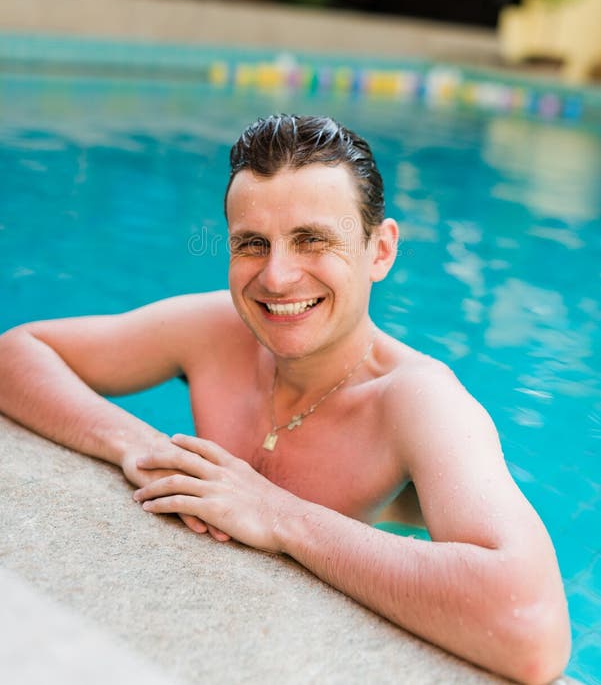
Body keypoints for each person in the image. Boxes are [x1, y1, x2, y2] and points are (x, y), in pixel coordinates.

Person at [0, 114, 570, 684]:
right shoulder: (216, 330)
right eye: (253, 244)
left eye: (311, 240)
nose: (276, 278)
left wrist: (278, 514)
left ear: (380, 250)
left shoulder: (419, 403)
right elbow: (16, 355)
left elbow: (533, 630)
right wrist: (141, 448)